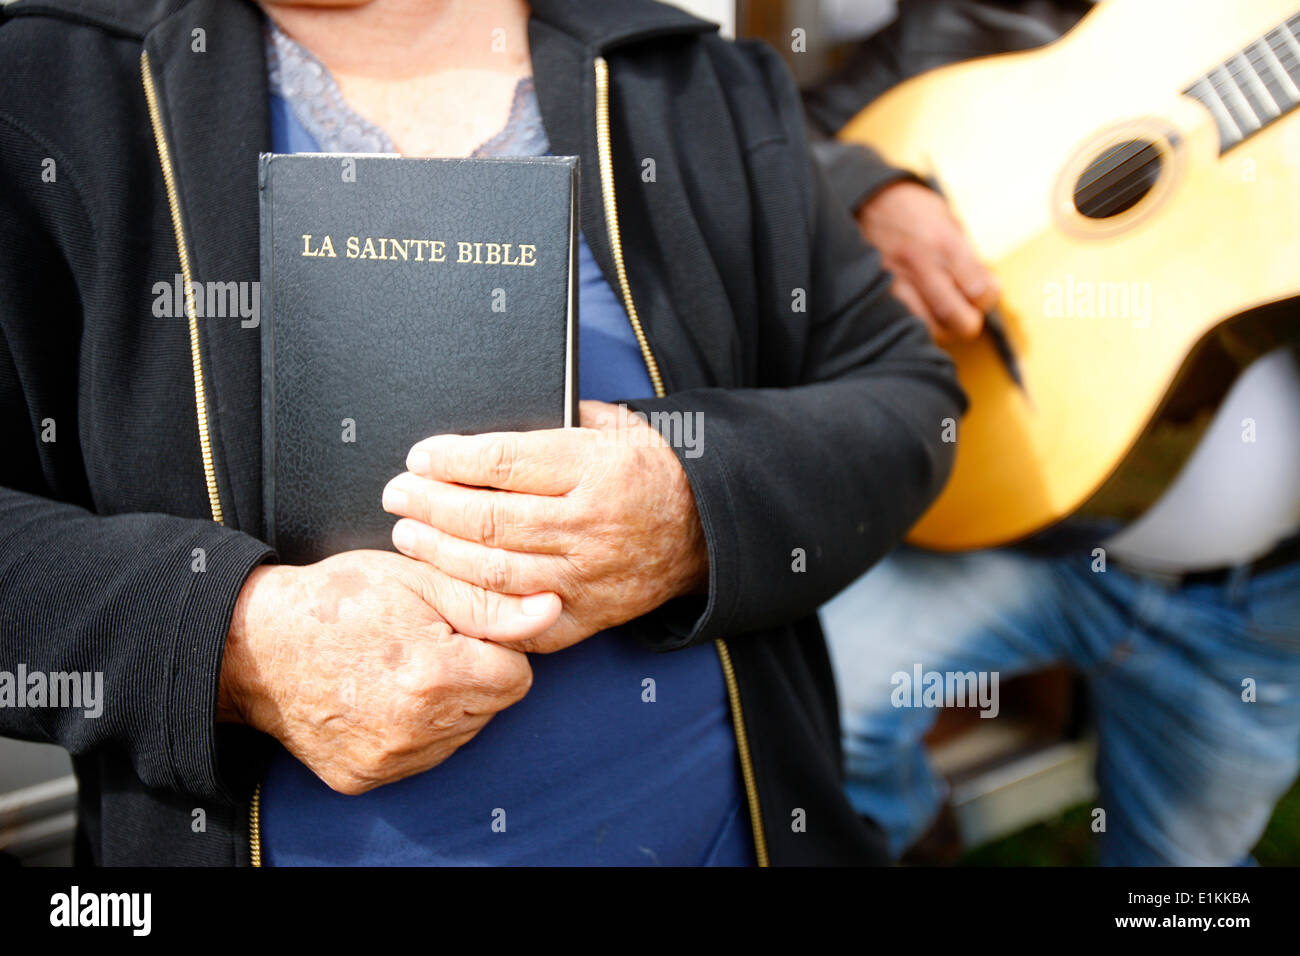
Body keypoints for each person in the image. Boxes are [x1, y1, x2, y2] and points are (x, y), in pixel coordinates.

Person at [0, 0, 964, 865]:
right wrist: (234, 646)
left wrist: (693, 504)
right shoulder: (48, 84)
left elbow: (910, 399)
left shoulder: (687, 73)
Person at [806, 0, 1300, 865]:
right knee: (810, 714)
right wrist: (864, 186)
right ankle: (918, 837)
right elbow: (753, 136)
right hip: (996, 537)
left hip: (1251, 613)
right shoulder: (1005, 14)